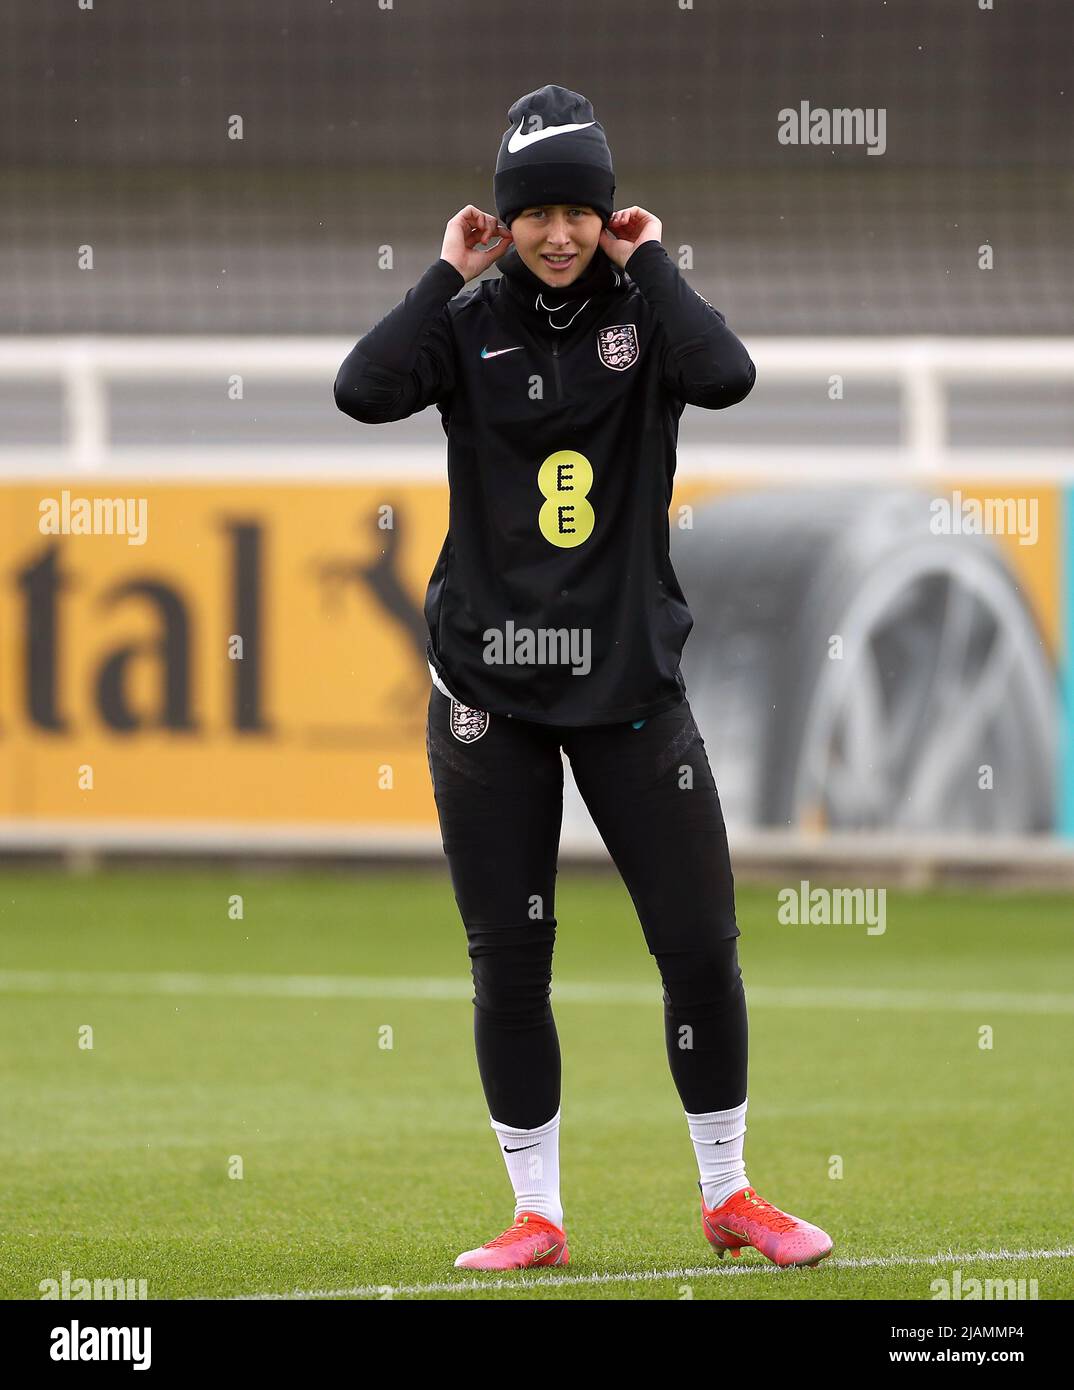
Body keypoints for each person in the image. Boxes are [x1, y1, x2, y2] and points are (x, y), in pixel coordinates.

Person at [335, 84, 832, 1272]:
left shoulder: (647, 315)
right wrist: (439, 273)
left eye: (579, 211)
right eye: (535, 213)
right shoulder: (465, 320)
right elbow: (363, 389)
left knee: (700, 946)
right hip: (489, 692)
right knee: (510, 962)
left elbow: (729, 376)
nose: (557, 234)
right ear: (499, 220)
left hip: (627, 686)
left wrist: (653, 265)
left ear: (610, 216)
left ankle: (730, 1194)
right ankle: (538, 1215)